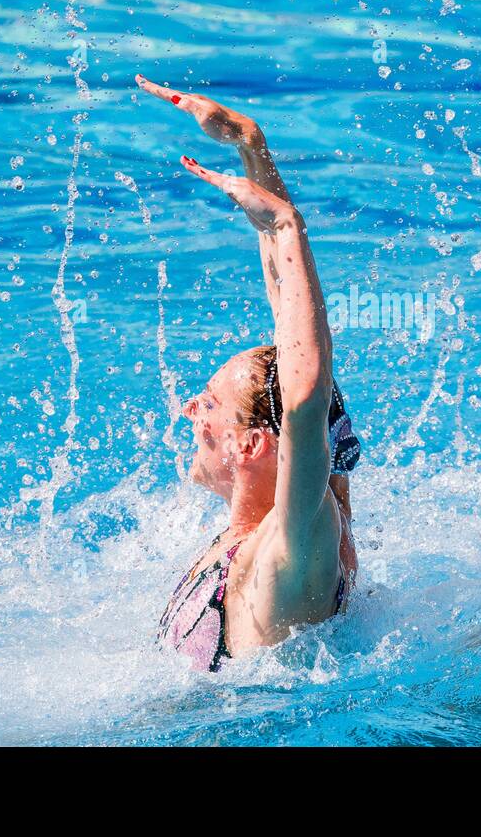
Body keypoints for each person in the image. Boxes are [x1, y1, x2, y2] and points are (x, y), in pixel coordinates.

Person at [136, 75, 361, 669]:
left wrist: (289, 228)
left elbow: (305, 400)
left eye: (209, 402)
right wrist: (249, 144)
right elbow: (293, 339)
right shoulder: (312, 523)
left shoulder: (289, 555)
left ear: (254, 443)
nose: (190, 408)